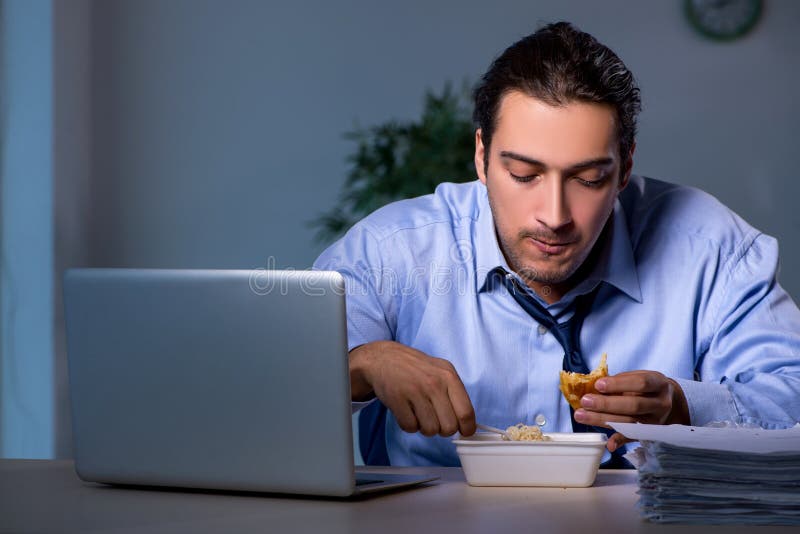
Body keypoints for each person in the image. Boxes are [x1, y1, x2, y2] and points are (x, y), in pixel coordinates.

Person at [313, 22, 800, 467]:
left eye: (588, 179)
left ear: (625, 169)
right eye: (524, 175)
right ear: (482, 158)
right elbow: (267, 391)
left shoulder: (716, 252)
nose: (554, 216)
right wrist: (362, 363)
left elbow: (793, 394)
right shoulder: (389, 251)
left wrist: (685, 405)